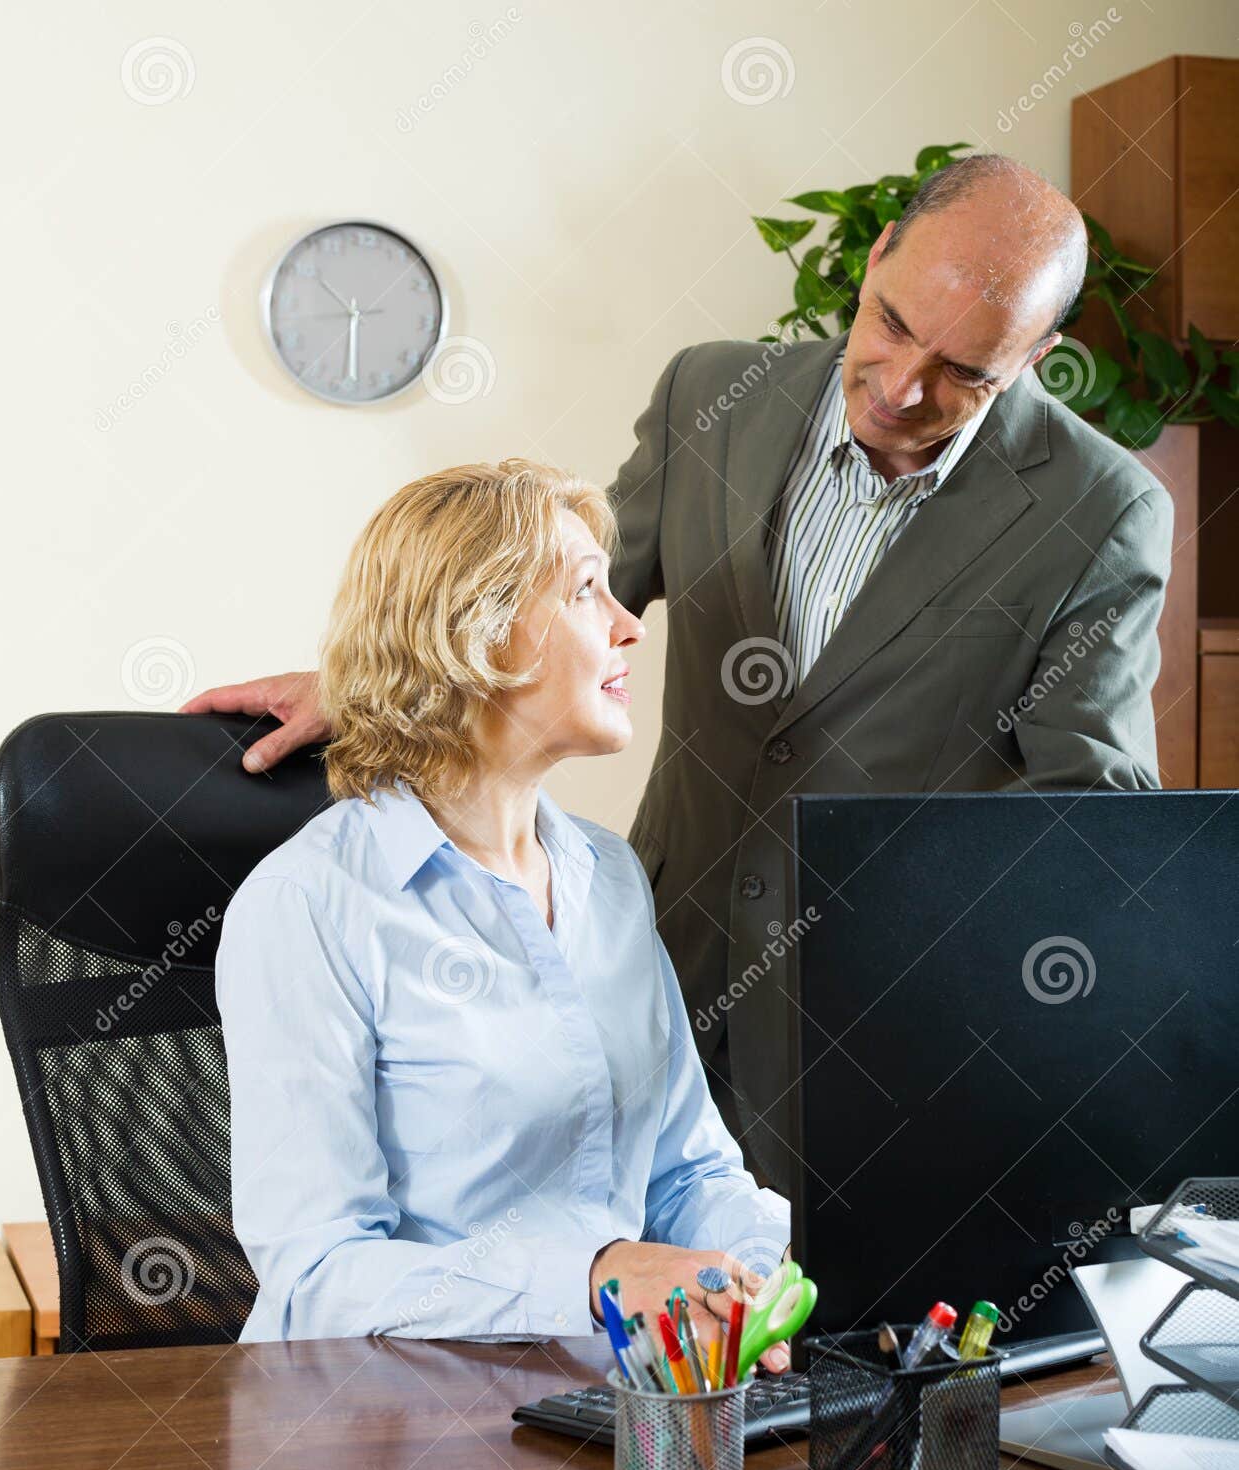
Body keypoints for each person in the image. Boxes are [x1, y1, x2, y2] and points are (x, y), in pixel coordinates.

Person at [189, 154, 1174, 1198]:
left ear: (1036, 357)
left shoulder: (1102, 510)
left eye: (965, 372)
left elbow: (1088, 814)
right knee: (628, 1285)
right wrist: (381, 671)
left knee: (829, 1326)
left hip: (887, 1011)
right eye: (890, 324)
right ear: (877, 255)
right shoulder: (714, 394)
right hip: (661, 949)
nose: (900, 387)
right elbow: (563, 594)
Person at [216, 458, 793, 1364]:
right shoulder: (311, 905)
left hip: (613, 1403)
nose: (630, 627)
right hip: (392, 1436)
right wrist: (594, 1277)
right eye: (587, 591)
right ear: (476, 635)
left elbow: (692, 1169)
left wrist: (742, 1276)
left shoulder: (609, 877)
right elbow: (318, 1273)